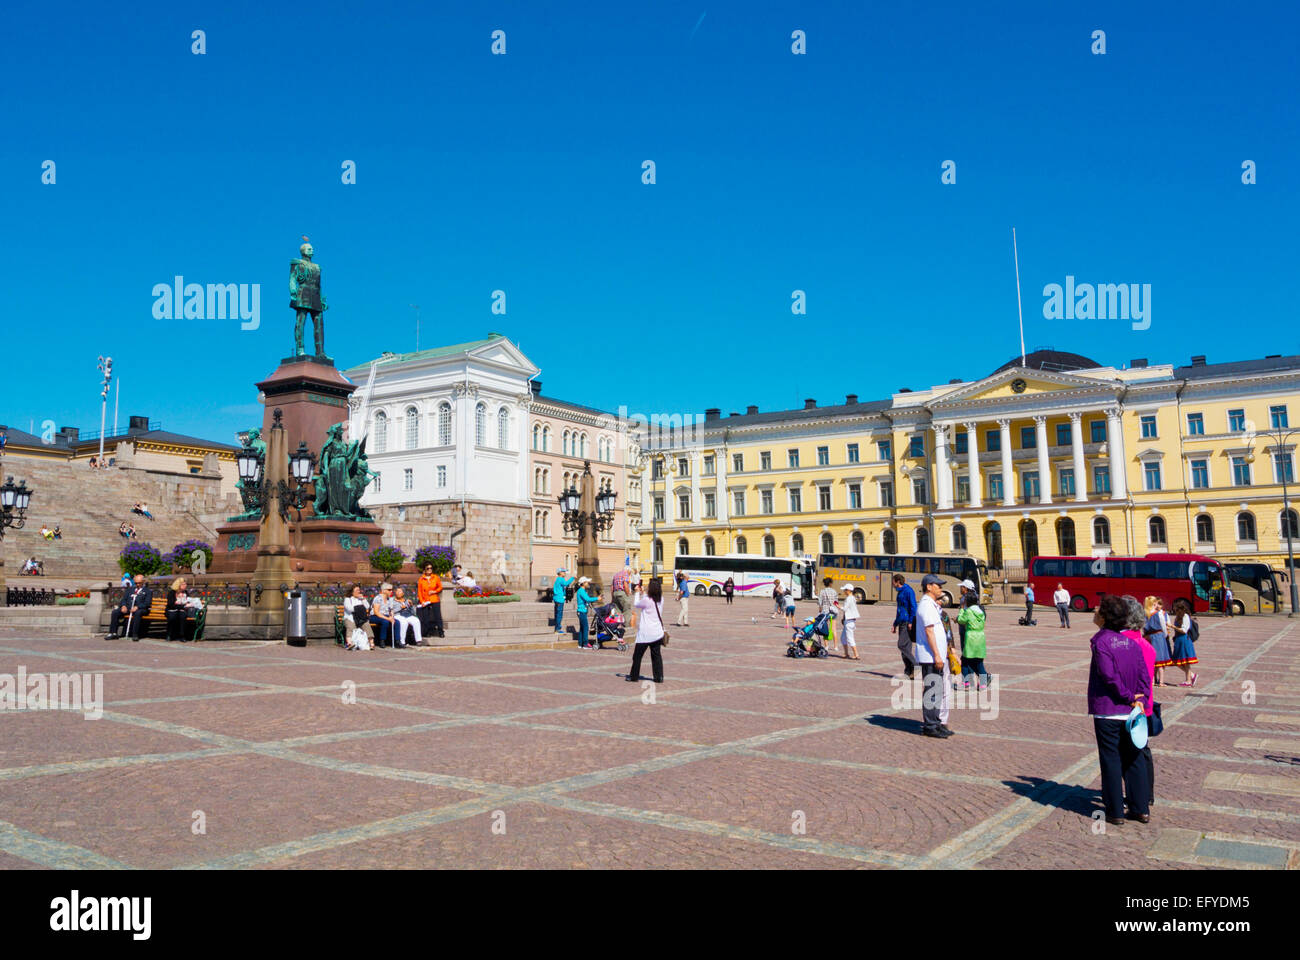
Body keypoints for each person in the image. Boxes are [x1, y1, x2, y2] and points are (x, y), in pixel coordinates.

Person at [1087, 594, 1152, 825]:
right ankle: (1141, 808)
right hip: (1132, 710)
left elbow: (1108, 676)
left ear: (1105, 617)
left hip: (1109, 709)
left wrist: (1127, 696)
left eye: (1098, 610)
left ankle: (1115, 811)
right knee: (1134, 758)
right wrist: (1140, 698)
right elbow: (1145, 674)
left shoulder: (1101, 641)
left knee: (1111, 760)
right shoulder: (1132, 643)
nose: (1094, 612)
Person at [1121, 595, 1157, 812]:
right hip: (1146, 704)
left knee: (1131, 754)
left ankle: (1138, 800)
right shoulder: (1145, 643)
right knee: (1142, 750)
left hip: (1132, 706)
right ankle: (1146, 795)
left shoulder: (1128, 643)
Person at [915, 573, 953, 738]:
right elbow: (929, 632)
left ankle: (936, 722)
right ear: (929, 587)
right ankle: (930, 726)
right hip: (930, 656)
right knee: (932, 691)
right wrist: (937, 655)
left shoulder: (931, 604)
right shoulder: (926, 605)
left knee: (937, 690)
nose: (941, 588)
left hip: (935, 656)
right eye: (938, 585)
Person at [626, 578, 666, 683]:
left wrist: (637, 593)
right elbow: (647, 602)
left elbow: (637, 604)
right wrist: (643, 593)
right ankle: (659, 677)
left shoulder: (647, 600)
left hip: (645, 633)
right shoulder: (661, 599)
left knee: (637, 656)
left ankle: (634, 676)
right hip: (657, 632)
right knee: (656, 656)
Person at [956, 591, 989, 690]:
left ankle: (966, 683)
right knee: (979, 662)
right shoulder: (981, 612)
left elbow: (961, 620)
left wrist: (961, 610)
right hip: (980, 637)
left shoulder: (969, 611)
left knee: (965, 661)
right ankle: (983, 684)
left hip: (971, 637)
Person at [1142, 596, 1172, 687]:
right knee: (1160, 660)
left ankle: (1152, 680)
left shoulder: (1145, 613)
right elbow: (1163, 626)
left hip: (1148, 636)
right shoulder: (1158, 614)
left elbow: (1143, 627)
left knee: (1151, 660)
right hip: (1158, 636)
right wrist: (1165, 635)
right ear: (1153, 603)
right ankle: (1161, 682)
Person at [1168, 598, 1199, 687]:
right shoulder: (1178, 617)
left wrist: (1173, 626)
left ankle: (1188, 680)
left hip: (1184, 640)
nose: (1174, 609)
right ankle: (1192, 676)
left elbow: (1184, 630)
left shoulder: (1185, 616)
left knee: (1185, 661)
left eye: (1175, 608)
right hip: (1179, 640)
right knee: (1176, 661)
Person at [892, 573, 918, 678]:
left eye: (893, 582)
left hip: (907, 622)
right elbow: (899, 610)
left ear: (898, 582)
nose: (892, 584)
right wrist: (895, 624)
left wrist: (911, 621)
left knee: (901, 645)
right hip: (901, 622)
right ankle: (909, 671)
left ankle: (916, 665)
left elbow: (913, 607)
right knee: (905, 649)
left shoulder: (908, 591)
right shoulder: (899, 592)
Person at [417, 563, 445, 639]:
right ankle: (427, 632)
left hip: (434, 599)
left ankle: (441, 631)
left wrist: (434, 591)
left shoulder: (435, 577)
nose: (430, 570)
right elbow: (419, 591)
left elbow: (440, 587)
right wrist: (422, 601)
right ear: (424, 570)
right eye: (428, 568)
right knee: (426, 617)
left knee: (437, 616)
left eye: (431, 568)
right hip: (425, 600)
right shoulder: (421, 579)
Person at [343, 584, 373, 651]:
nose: (359, 592)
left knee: (366, 625)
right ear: (352, 592)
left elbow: (367, 606)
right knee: (351, 626)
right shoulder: (348, 599)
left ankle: (371, 643)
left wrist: (363, 599)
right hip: (350, 618)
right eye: (357, 590)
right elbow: (350, 609)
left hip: (360, 618)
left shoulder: (360, 599)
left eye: (359, 590)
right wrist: (361, 608)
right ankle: (350, 643)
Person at [369, 582, 398, 647]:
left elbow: (391, 609)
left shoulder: (389, 599)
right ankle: (382, 640)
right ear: (384, 590)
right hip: (375, 616)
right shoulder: (378, 598)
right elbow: (376, 612)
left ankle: (397, 641)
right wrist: (388, 618)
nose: (391, 591)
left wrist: (392, 615)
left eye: (391, 590)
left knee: (397, 622)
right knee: (385, 622)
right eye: (389, 590)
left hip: (384, 615)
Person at [575, 576, 600, 649]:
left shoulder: (582, 590)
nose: (588, 583)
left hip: (582, 611)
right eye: (587, 582)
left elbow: (586, 600)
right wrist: (597, 598)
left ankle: (580, 644)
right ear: (583, 583)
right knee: (585, 628)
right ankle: (585, 644)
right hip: (581, 611)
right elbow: (587, 599)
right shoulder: (581, 591)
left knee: (582, 628)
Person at [165, 577, 192, 641]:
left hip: (182, 611)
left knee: (182, 616)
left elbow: (188, 602)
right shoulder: (172, 593)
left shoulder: (186, 593)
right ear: (178, 585)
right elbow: (171, 604)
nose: (186, 585)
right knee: (172, 617)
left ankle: (182, 635)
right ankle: (169, 634)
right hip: (171, 610)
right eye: (183, 584)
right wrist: (182, 606)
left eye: (185, 584)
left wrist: (185, 605)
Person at [817, 576, 839, 653]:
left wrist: (820, 611)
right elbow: (836, 602)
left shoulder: (822, 591)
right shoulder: (834, 591)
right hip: (833, 612)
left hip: (825, 612)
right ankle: (835, 646)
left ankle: (826, 646)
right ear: (830, 583)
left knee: (825, 629)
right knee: (834, 629)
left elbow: (820, 603)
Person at [838, 586, 860, 660]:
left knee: (850, 638)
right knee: (843, 638)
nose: (844, 591)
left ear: (849, 590)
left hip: (849, 621)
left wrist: (838, 606)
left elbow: (845, 608)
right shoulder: (852, 598)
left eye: (845, 590)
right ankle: (846, 653)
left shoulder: (849, 598)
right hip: (849, 620)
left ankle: (856, 654)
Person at [552, 567, 575, 635]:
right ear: (560, 573)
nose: (565, 573)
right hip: (559, 599)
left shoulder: (558, 579)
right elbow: (566, 583)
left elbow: (564, 585)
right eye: (564, 572)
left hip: (557, 599)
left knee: (557, 614)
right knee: (559, 615)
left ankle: (557, 628)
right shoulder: (561, 579)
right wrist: (573, 578)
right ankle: (557, 629)